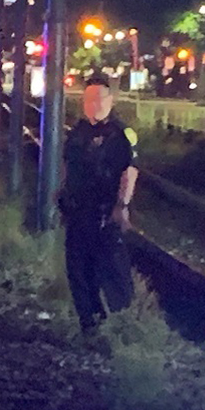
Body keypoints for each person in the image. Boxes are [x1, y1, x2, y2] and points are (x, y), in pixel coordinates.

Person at [58, 75, 138, 333]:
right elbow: (67, 165)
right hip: (77, 212)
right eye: (89, 99)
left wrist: (122, 206)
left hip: (104, 214)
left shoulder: (122, 134)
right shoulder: (77, 133)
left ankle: (126, 325)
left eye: (99, 99)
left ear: (110, 100)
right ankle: (90, 323)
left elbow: (130, 171)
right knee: (79, 271)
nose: (94, 104)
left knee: (113, 271)